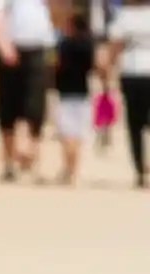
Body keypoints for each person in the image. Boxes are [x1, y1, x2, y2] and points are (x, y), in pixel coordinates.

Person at [0, 0, 58, 181]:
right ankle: (9, 162)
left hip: (38, 47)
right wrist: (3, 43)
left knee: (36, 104)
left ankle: (33, 158)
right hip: (11, 47)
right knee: (8, 105)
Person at [106, 0, 150, 187]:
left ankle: (140, 169)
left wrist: (108, 69)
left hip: (132, 72)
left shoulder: (123, 17)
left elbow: (115, 47)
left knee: (135, 125)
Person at [54, 12, 101, 183]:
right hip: (82, 93)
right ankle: (74, 169)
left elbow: (56, 65)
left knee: (67, 134)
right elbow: (95, 66)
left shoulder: (64, 44)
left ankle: (68, 167)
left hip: (65, 93)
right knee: (78, 134)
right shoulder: (88, 45)